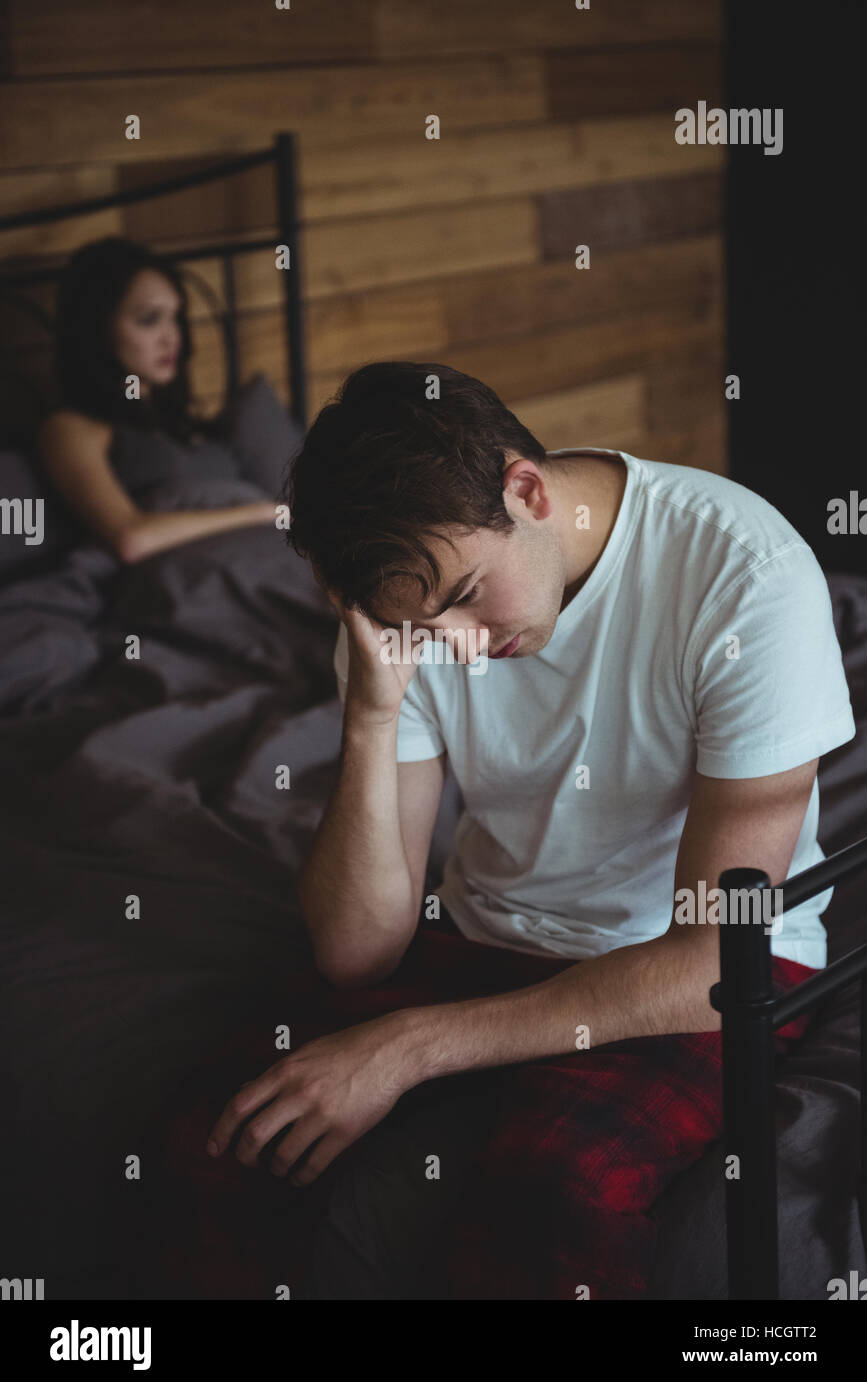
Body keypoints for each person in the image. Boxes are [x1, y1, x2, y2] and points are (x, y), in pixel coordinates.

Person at [204, 360, 856, 1299]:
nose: (461, 645)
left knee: (548, 1193)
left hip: (687, 975)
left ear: (527, 489)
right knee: (225, 1137)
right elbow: (357, 952)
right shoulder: (412, 607)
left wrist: (409, 1047)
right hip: (492, 937)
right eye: (426, 626)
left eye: (470, 594)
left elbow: (714, 961)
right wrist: (371, 714)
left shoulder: (740, 572)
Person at [38, 237, 274, 563]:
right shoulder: (71, 428)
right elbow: (130, 538)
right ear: (98, 327)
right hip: (191, 579)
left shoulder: (183, 425)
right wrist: (259, 514)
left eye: (175, 317)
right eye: (149, 319)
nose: (171, 337)